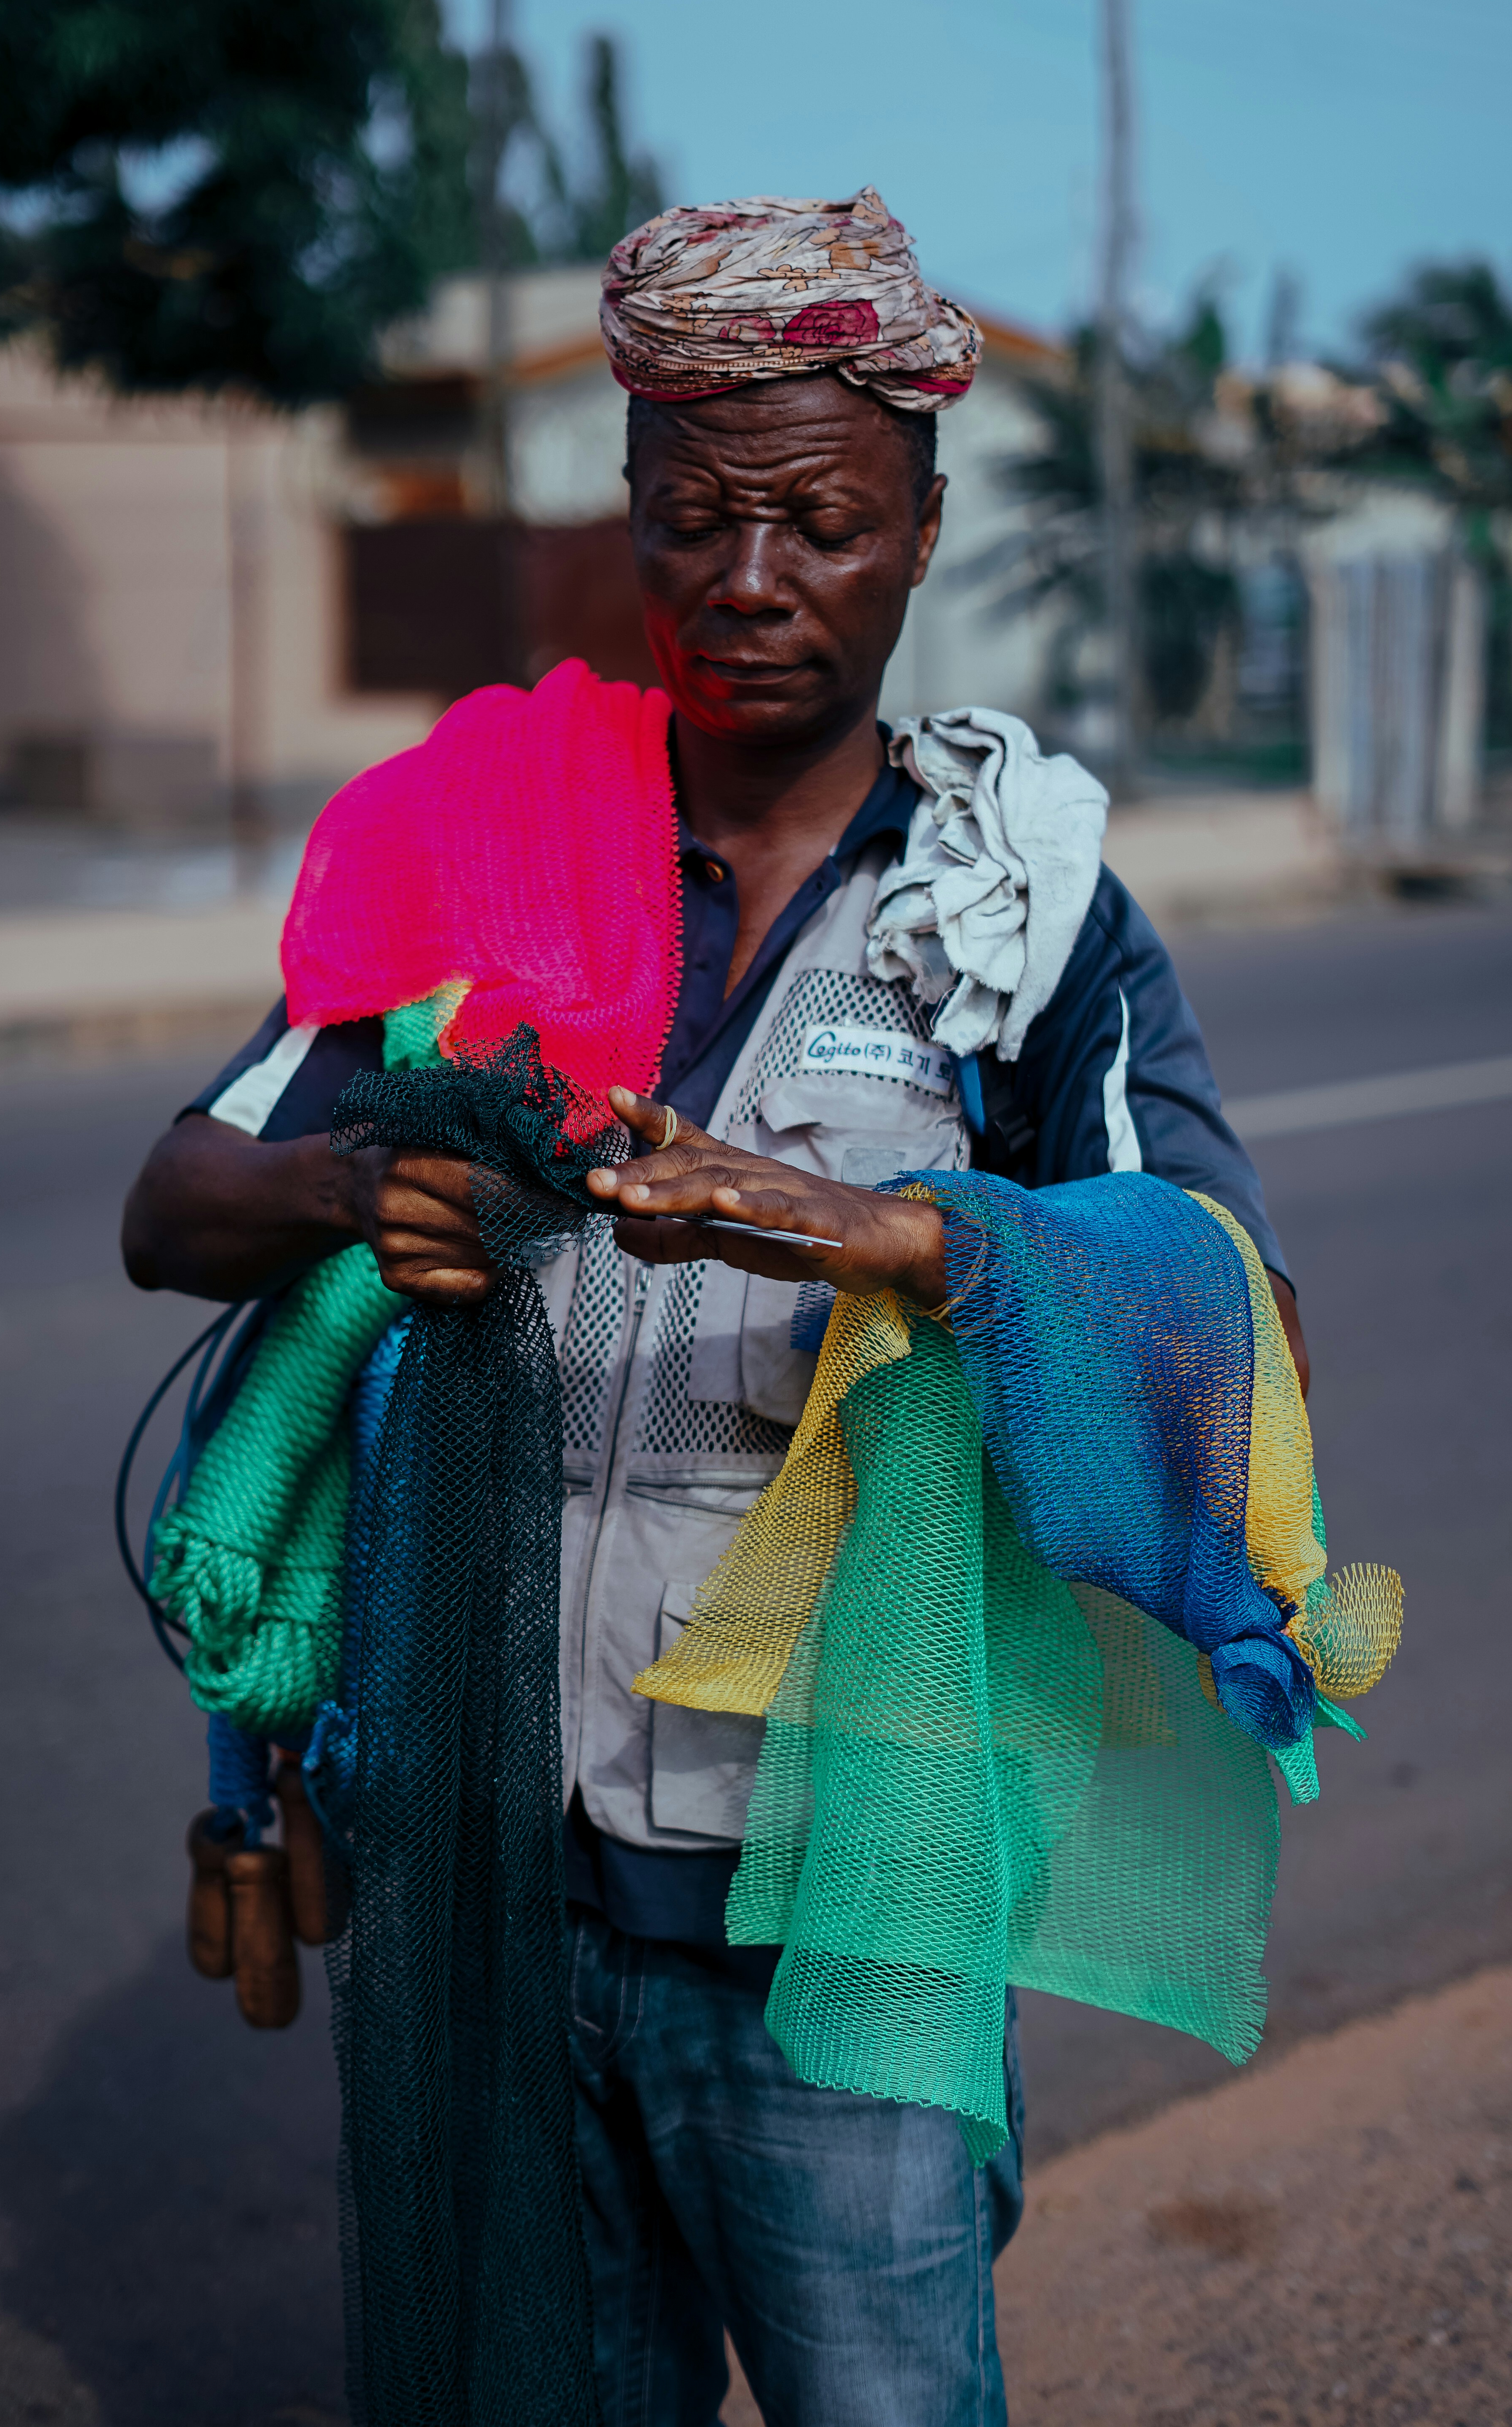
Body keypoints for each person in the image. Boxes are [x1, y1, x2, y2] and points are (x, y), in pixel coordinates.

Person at [124, 189, 1305, 2427]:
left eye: (822, 526)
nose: (753, 585)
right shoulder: (489, 849)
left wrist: (917, 1242)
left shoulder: (1022, 920)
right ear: (633, 520)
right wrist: (361, 1187)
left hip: (841, 1922)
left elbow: (1231, 1336)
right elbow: (173, 1203)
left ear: (926, 527)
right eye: (696, 524)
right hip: (485, 1878)